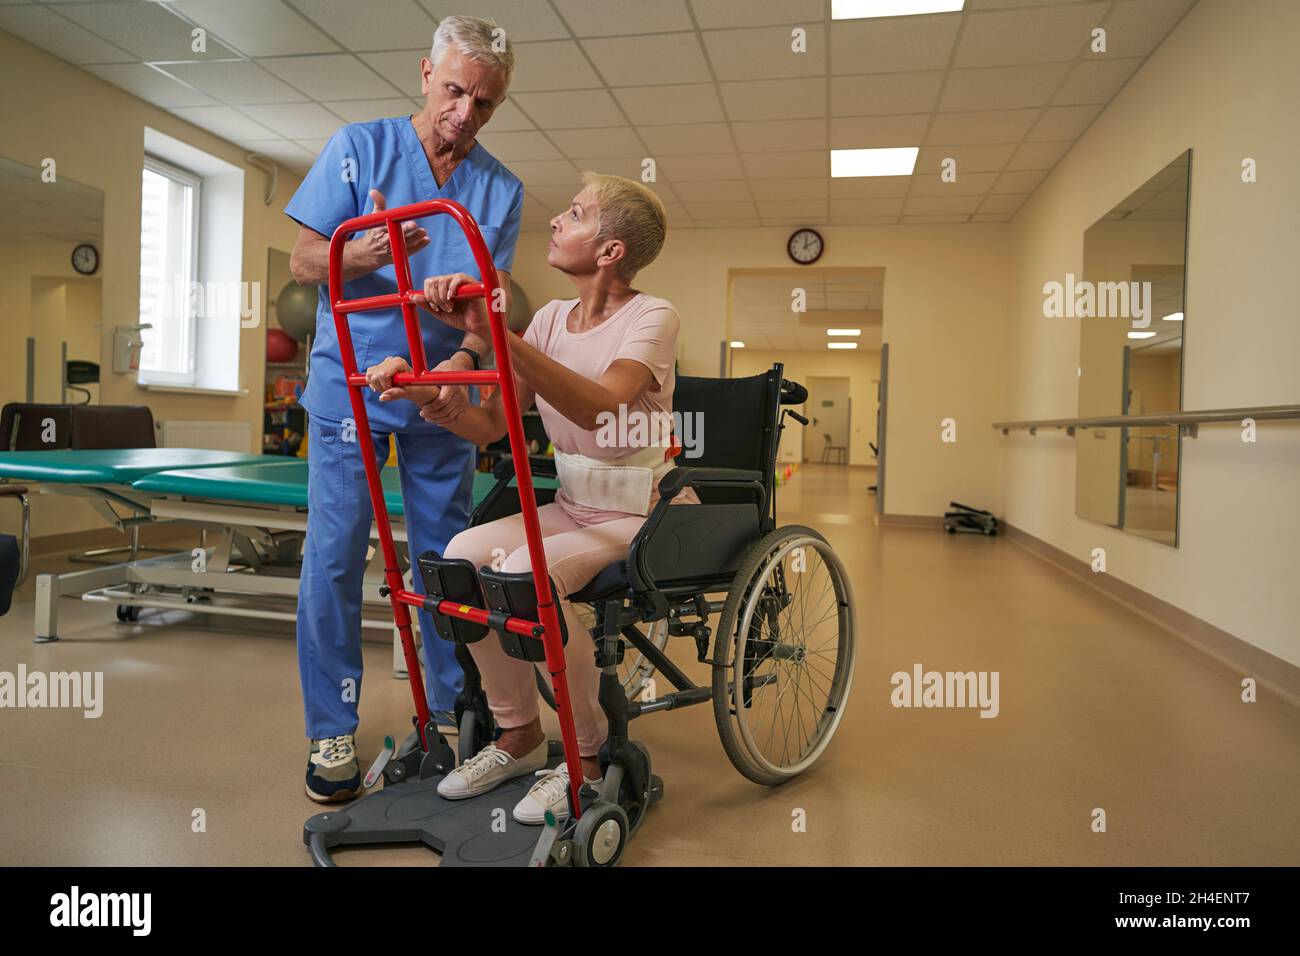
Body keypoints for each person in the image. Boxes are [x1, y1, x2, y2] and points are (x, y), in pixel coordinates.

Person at [365, 173, 695, 823]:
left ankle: (587, 756)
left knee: (520, 573)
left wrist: (492, 330)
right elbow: (492, 426)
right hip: (574, 504)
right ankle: (518, 735)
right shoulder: (546, 319)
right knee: (458, 559)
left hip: (640, 513)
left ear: (609, 252)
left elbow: (604, 409)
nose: (555, 220)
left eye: (575, 214)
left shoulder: (652, 317)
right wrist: (429, 396)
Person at [284, 15, 522, 803]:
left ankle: (454, 717)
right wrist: (357, 254)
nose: (464, 115)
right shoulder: (358, 146)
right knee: (335, 555)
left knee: (443, 564)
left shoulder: (501, 192)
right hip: (351, 389)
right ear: (426, 73)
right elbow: (303, 258)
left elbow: (486, 318)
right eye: (455, 91)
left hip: (438, 402)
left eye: (484, 104)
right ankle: (329, 729)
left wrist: (459, 366)